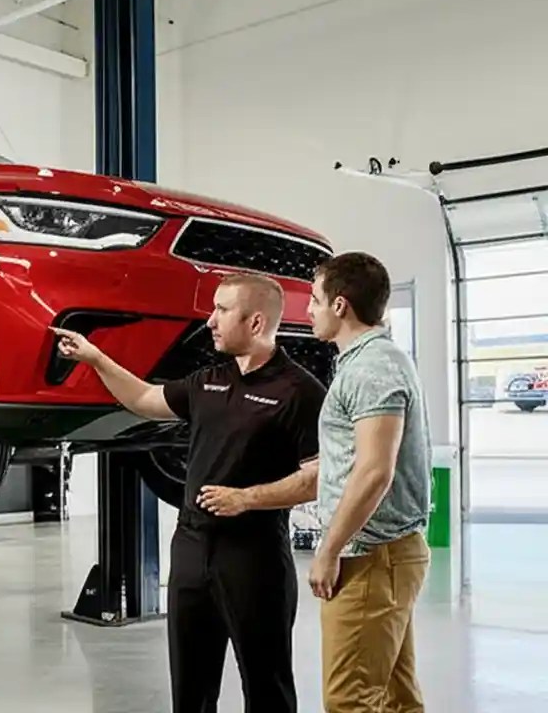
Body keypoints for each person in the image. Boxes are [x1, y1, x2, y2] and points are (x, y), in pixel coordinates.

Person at [51, 273, 327, 713]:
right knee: (191, 687)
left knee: (267, 686)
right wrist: (96, 358)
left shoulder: (299, 392)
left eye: (222, 309)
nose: (211, 320)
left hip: (253, 557)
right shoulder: (208, 381)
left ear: (255, 323)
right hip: (192, 549)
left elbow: (317, 479)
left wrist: (247, 499)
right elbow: (142, 398)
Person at [197, 251, 432, 712]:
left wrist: (328, 550)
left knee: (350, 699)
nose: (309, 311)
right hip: (386, 555)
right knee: (396, 698)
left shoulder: (371, 368)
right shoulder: (367, 362)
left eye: (317, 301)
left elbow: (373, 470)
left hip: (368, 556)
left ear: (341, 306)